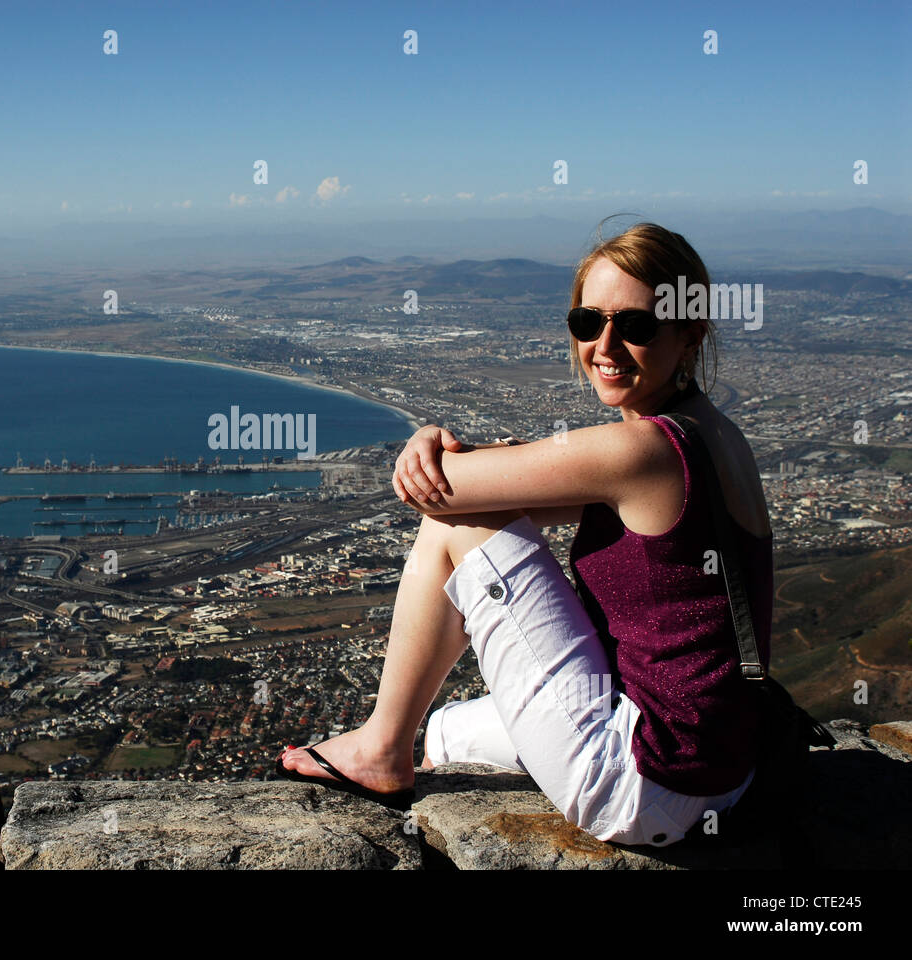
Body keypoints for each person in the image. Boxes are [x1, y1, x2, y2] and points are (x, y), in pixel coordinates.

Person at [277, 221, 772, 846]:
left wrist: (429, 440)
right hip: (726, 766)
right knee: (449, 736)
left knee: (451, 526)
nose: (607, 345)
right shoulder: (713, 433)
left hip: (647, 779)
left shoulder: (641, 450)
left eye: (638, 326)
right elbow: (532, 483)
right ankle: (409, 752)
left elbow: (441, 493)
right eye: (588, 322)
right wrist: (462, 456)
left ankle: (381, 747)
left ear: (690, 332)